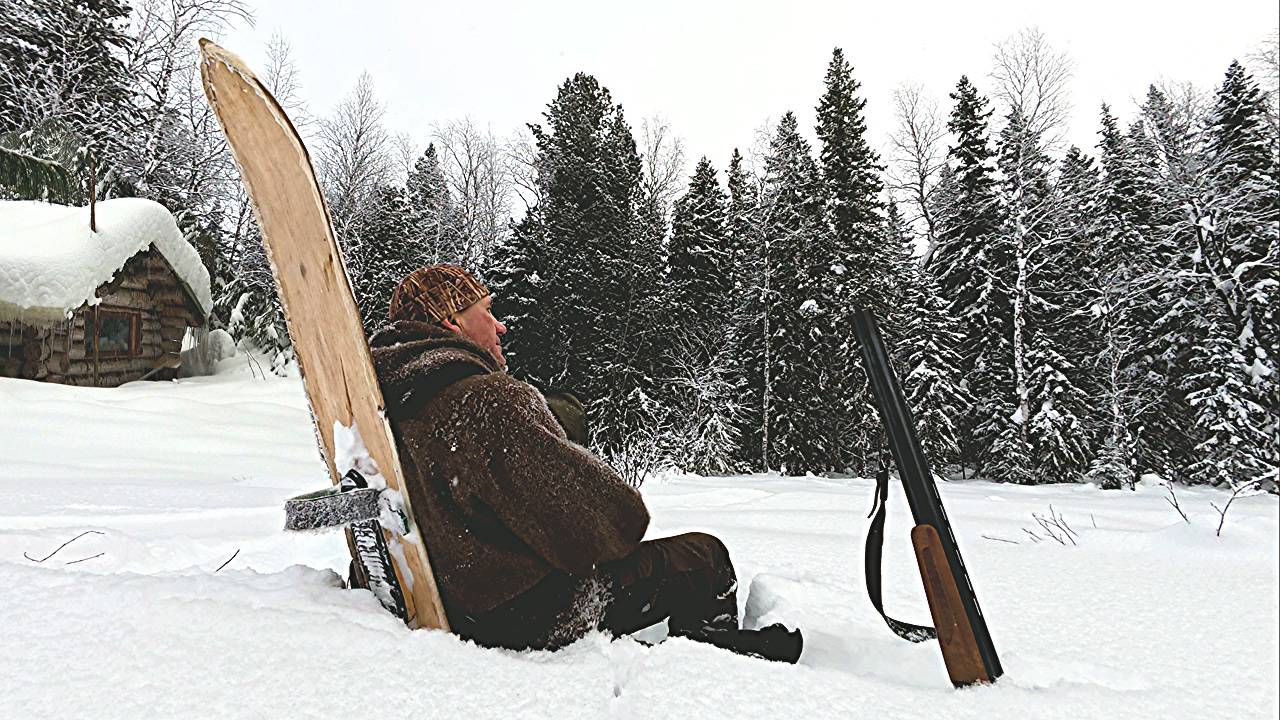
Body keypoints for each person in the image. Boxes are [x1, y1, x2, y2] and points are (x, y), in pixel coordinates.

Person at [367, 264, 802, 662]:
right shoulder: (487, 401)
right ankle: (716, 662)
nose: (500, 325)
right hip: (525, 617)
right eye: (487, 310)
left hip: (457, 603)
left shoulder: (386, 408)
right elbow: (614, 522)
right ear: (453, 321)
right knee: (704, 557)